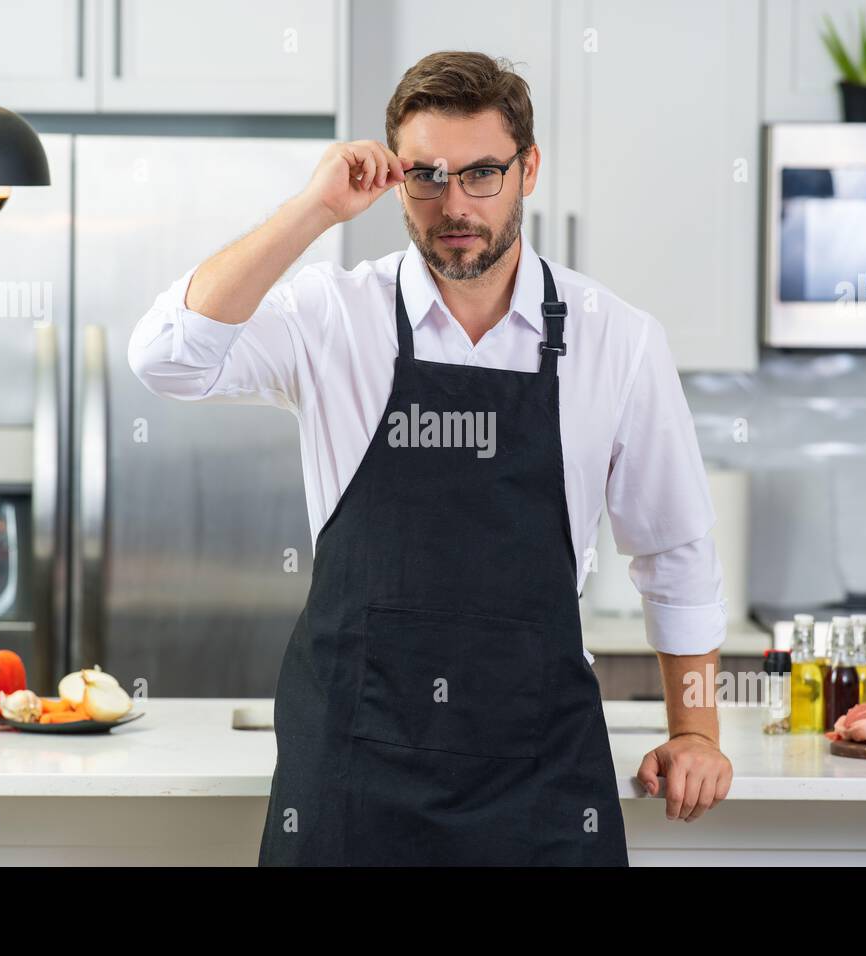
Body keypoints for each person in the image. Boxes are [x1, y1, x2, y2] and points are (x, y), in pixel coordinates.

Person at [128, 50, 733, 866]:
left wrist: (695, 727)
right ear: (394, 181)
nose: (455, 205)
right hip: (351, 773)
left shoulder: (616, 339)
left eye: (483, 174)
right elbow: (168, 357)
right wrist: (313, 209)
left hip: (539, 777)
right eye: (426, 177)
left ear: (530, 170)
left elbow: (676, 554)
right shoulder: (333, 316)